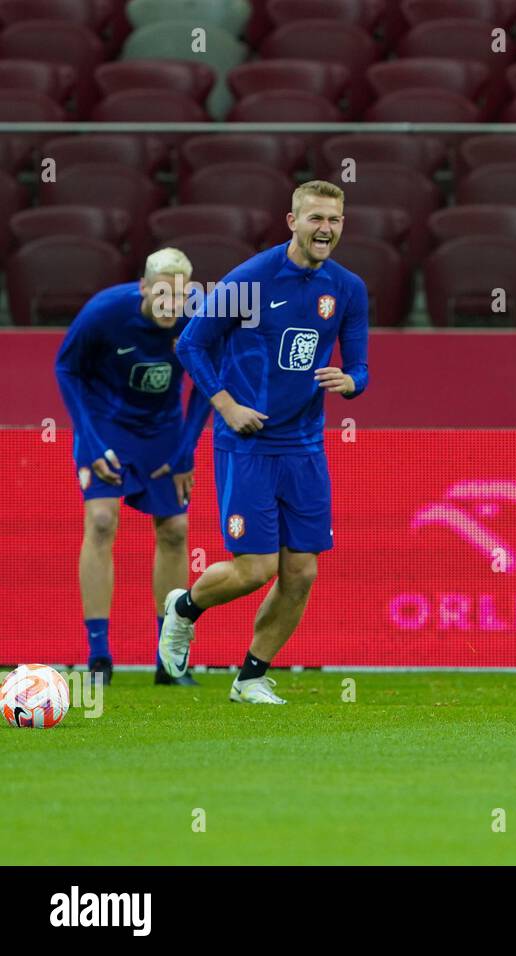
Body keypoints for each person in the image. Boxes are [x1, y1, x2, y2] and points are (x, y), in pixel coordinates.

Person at [159, 181, 369, 704]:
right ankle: (184, 608)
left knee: (302, 571)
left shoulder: (347, 289)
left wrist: (353, 382)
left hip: (305, 448)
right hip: (247, 445)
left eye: (335, 220)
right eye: (316, 218)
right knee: (256, 569)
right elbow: (192, 344)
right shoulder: (252, 280)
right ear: (292, 221)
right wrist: (226, 405)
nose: (326, 228)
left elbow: (360, 365)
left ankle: (251, 676)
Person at [54, 248, 209, 686]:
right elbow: (66, 368)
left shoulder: (198, 318)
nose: (171, 306)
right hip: (106, 425)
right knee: (102, 521)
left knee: (175, 530)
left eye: (180, 298)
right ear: (144, 287)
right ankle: (99, 656)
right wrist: (89, 438)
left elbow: (208, 383)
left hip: (163, 431)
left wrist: (185, 451)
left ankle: (169, 658)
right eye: (162, 295)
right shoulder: (105, 311)